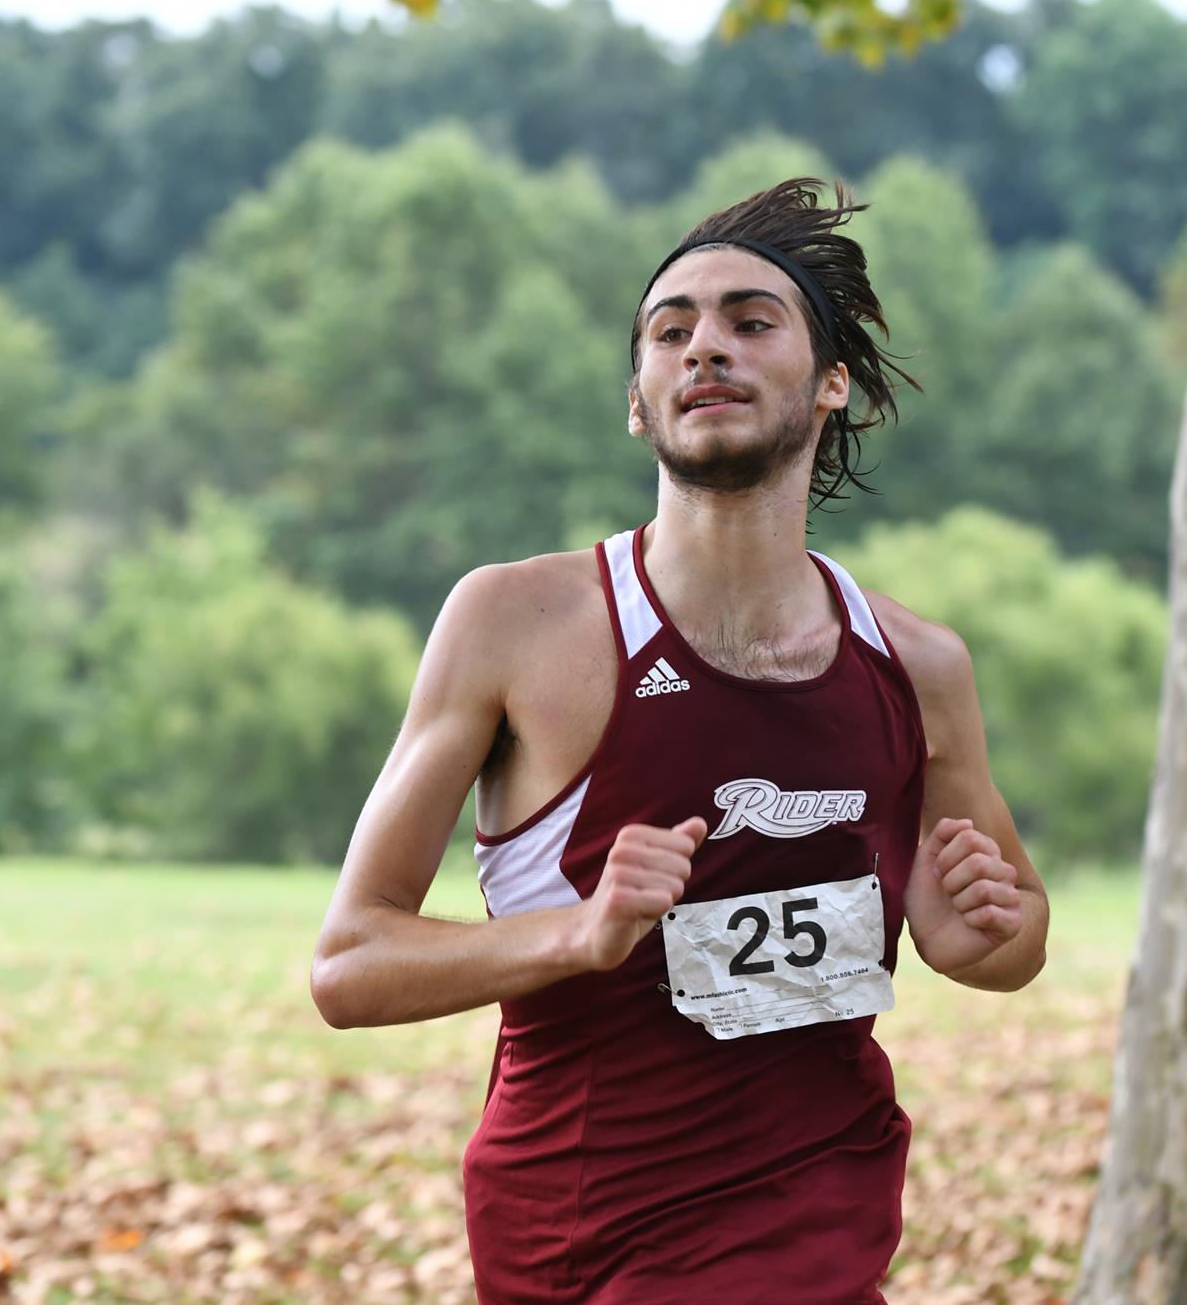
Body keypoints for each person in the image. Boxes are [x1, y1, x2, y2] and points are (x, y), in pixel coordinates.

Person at [310, 178, 1050, 1304]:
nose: (705, 345)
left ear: (831, 384)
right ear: (636, 399)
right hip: (579, 1220)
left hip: (820, 1209)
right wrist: (580, 934)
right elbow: (348, 965)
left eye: (751, 322)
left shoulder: (916, 663)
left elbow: (993, 941)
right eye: (671, 330)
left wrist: (986, 923)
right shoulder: (514, 622)